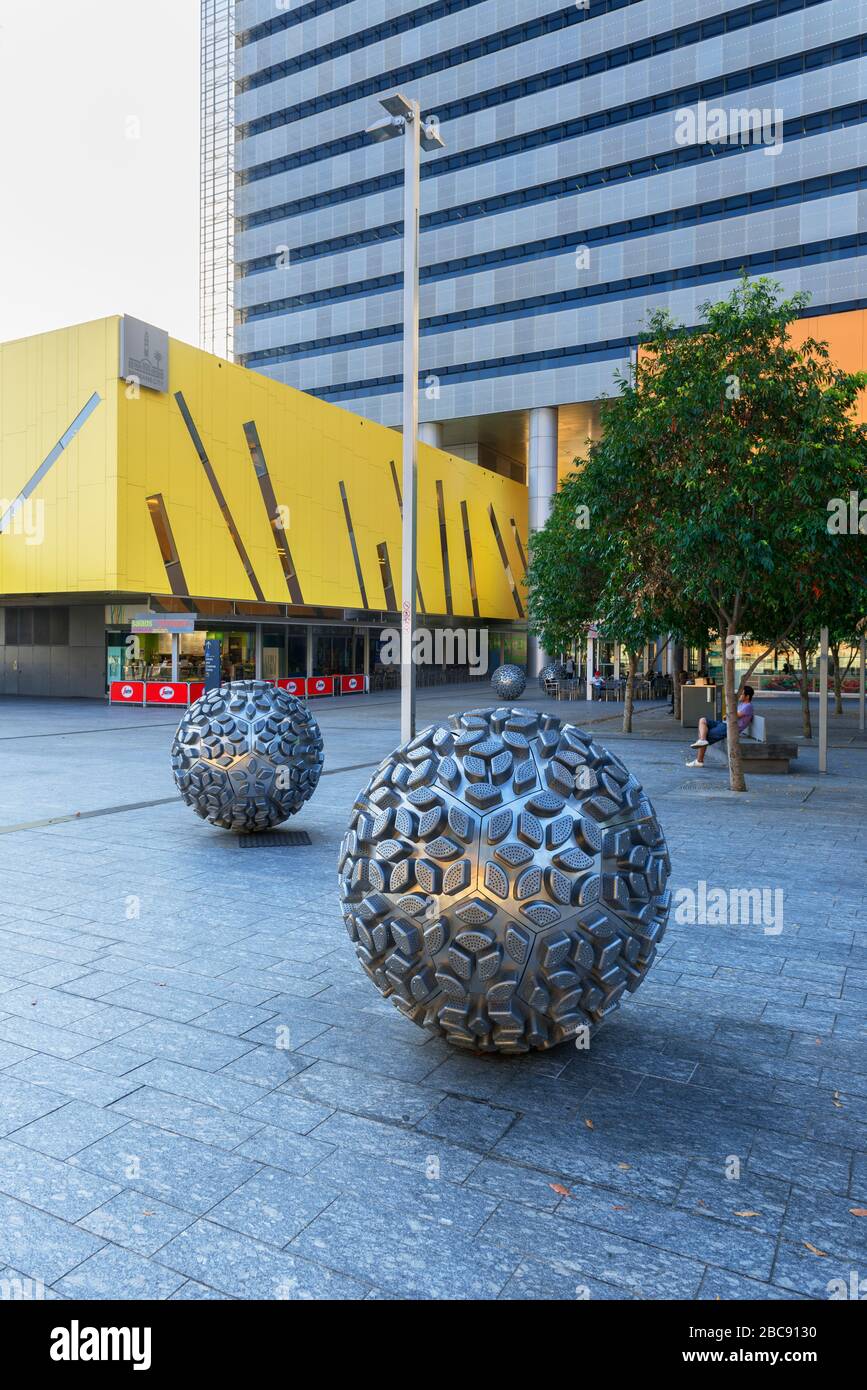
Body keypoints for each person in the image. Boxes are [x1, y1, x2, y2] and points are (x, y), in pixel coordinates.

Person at [686, 686, 755, 767]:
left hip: (729, 728)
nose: (739, 695)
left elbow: (733, 715)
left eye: (741, 694)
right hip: (724, 724)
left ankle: (699, 760)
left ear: (747, 696)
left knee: (705, 735)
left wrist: (728, 715)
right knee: (703, 720)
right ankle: (702, 741)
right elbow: (730, 715)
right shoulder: (742, 704)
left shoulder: (748, 706)